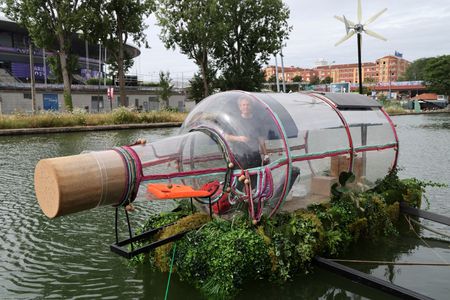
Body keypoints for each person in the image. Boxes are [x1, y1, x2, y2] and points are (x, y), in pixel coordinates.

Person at [224, 96, 270, 171]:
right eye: (243, 105)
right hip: (240, 156)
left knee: (255, 178)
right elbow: (226, 136)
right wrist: (239, 138)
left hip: (255, 155)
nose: (246, 107)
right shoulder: (234, 121)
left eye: (248, 105)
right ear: (240, 107)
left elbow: (261, 139)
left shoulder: (257, 120)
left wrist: (266, 155)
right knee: (242, 179)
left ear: (251, 106)